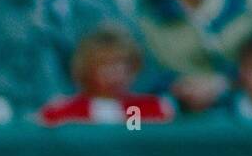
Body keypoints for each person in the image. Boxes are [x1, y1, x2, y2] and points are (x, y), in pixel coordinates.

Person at [37, 24, 174, 126]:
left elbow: (138, 140)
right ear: (87, 69)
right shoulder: (62, 112)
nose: (115, 72)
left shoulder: (148, 109)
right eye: (105, 64)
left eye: (121, 64)